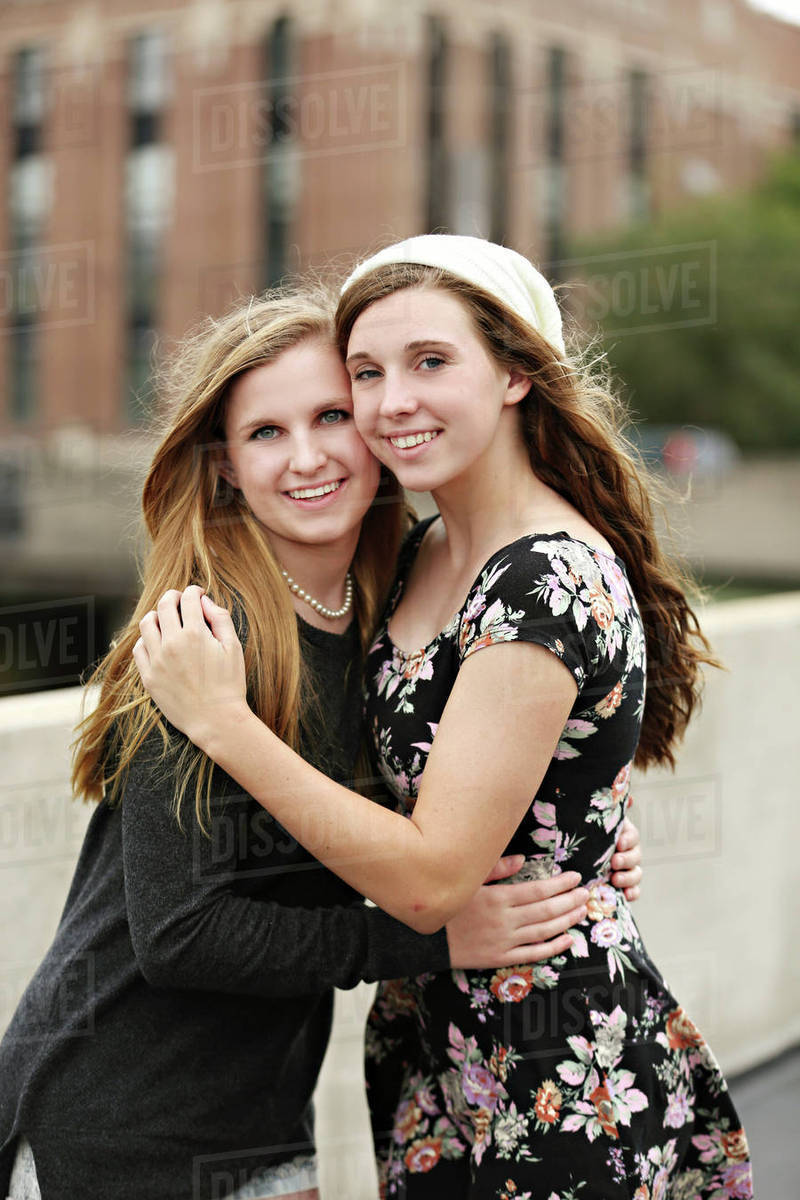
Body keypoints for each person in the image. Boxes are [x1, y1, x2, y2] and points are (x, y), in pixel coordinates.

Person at [134, 235, 752, 1199]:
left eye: (431, 363)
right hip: (434, 1033)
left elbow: (427, 882)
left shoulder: (543, 579)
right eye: (368, 373)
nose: (392, 403)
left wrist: (225, 722)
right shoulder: (421, 552)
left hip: (551, 1048)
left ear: (514, 373)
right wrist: (582, 821)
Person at [0, 286, 642, 1200]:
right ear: (223, 465)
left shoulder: (395, 601)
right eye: (265, 432)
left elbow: (463, 744)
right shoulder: (203, 643)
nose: (307, 458)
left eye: (332, 415)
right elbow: (181, 935)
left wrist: (573, 820)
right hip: (117, 1119)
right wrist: (426, 942)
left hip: (262, 1109)